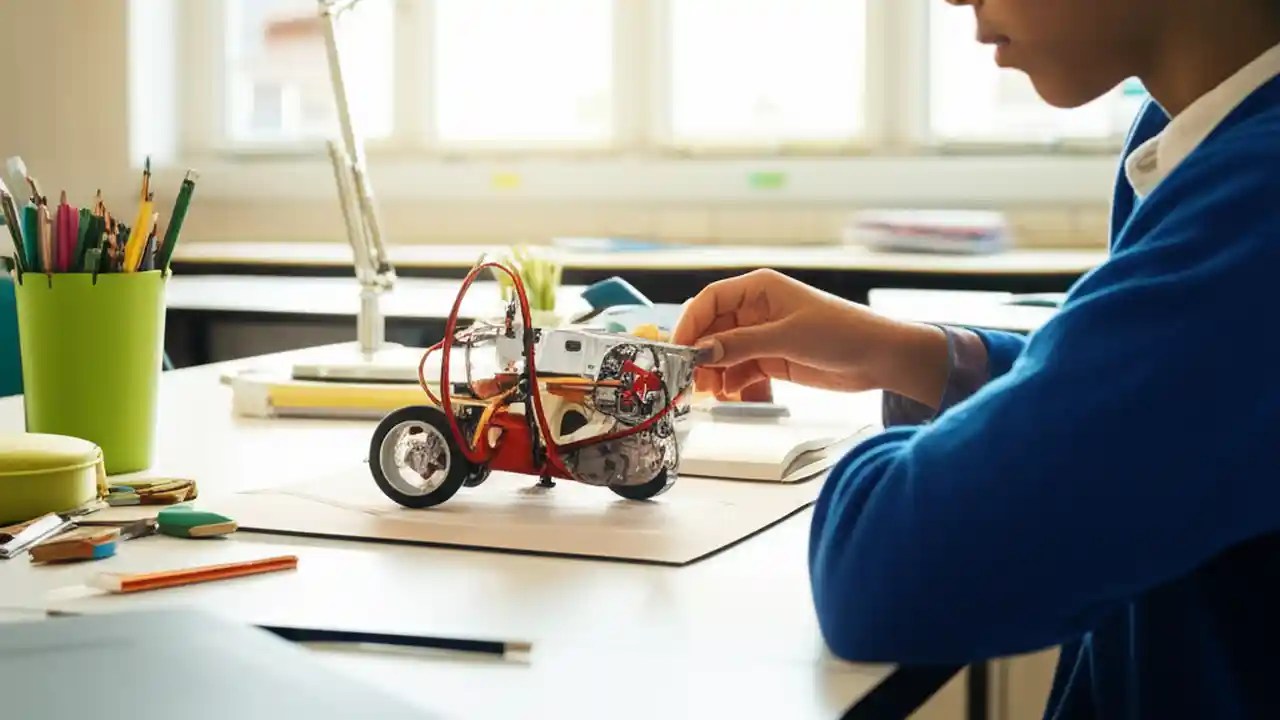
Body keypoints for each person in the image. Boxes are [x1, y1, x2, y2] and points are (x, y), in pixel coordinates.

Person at [672, 0, 1280, 717]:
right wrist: (921, 356)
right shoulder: (1190, 142)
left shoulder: (1260, 202)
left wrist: (917, 458)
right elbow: (1181, 413)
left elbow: (890, 572)